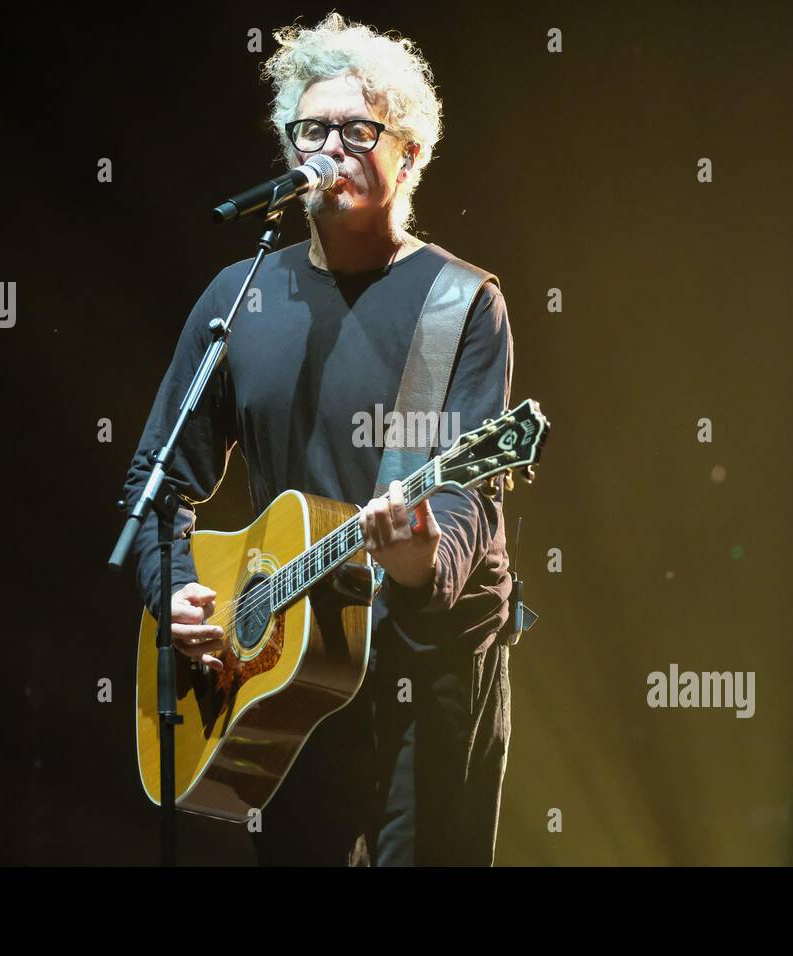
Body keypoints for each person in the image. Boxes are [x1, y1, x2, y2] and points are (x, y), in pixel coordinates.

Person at [122, 11, 514, 866]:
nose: (330, 146)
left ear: (407, 154)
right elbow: (158, 477)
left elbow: (464, 496)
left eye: (357, 129)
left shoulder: (460, 303)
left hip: (430, 663)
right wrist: (178, 593)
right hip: (286, 667)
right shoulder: (242, 296)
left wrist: (416, 556)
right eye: (312, 129)